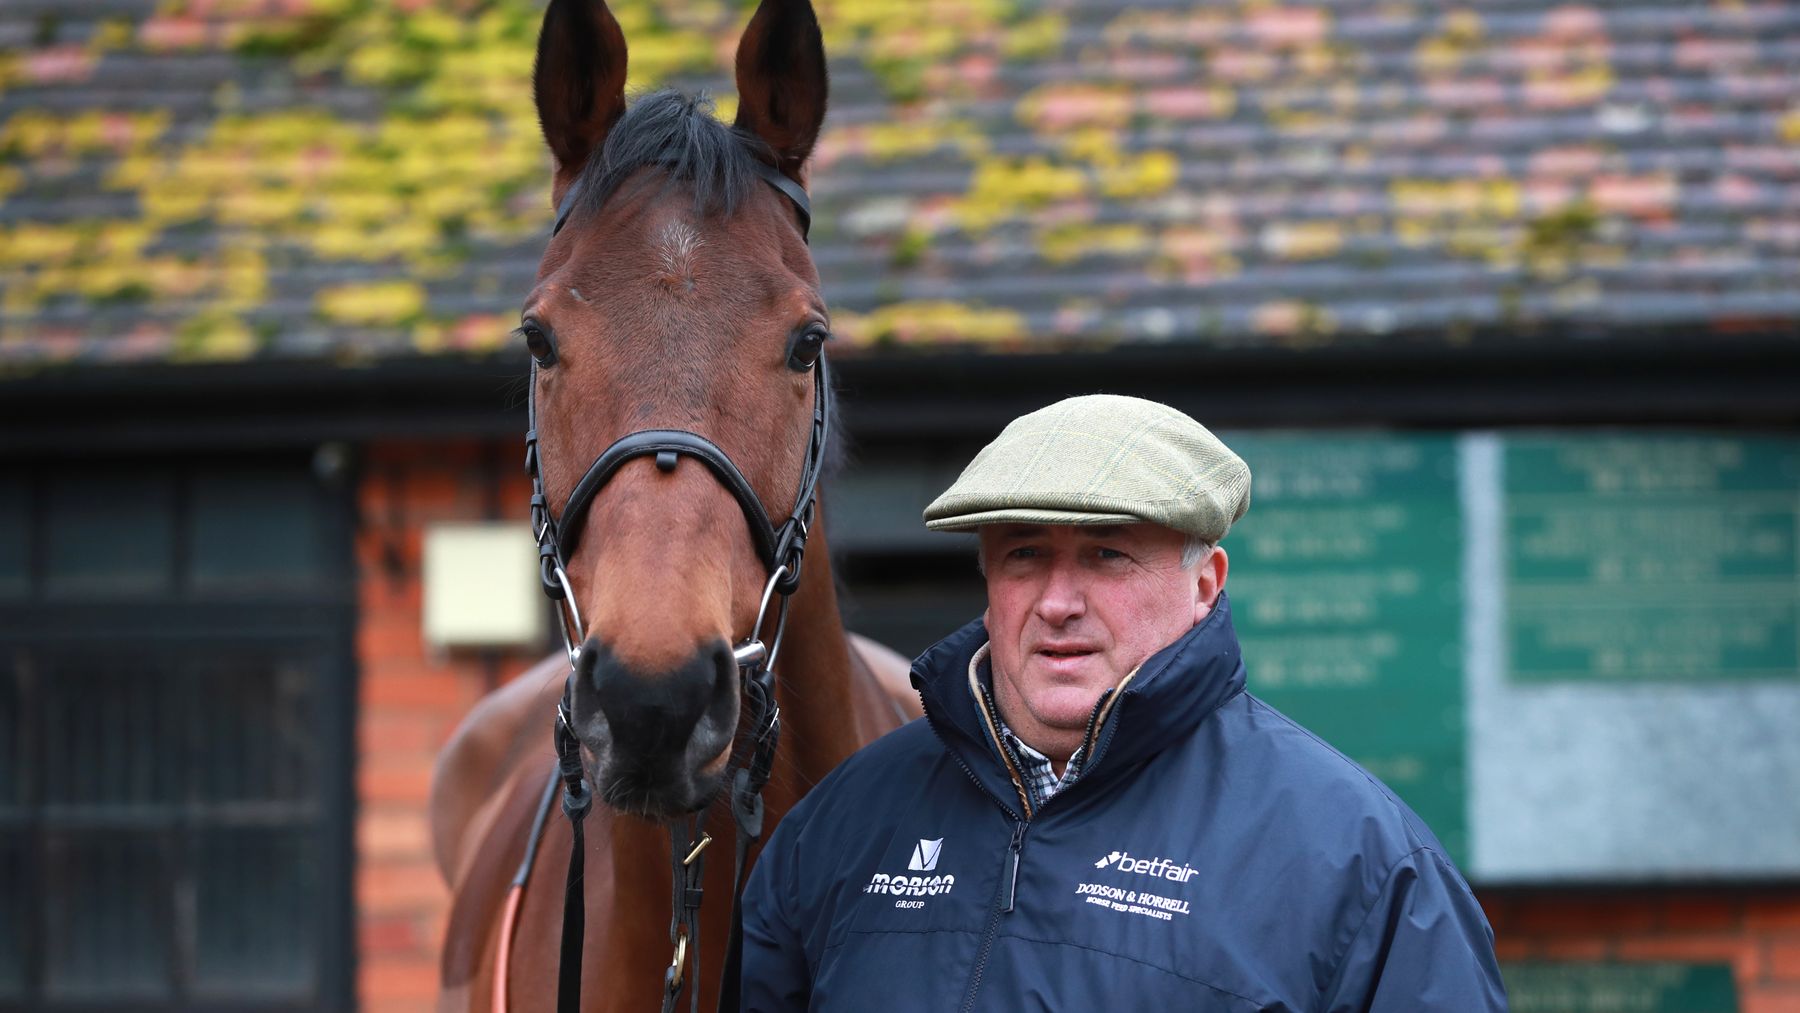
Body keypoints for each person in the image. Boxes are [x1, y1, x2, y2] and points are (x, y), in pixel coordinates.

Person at [738, 394, 1508, 1011]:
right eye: (1024, 554)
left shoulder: (1361, 864)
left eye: (1106, 554)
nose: (1057, 602)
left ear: (1205, 585)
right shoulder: (841, 824)